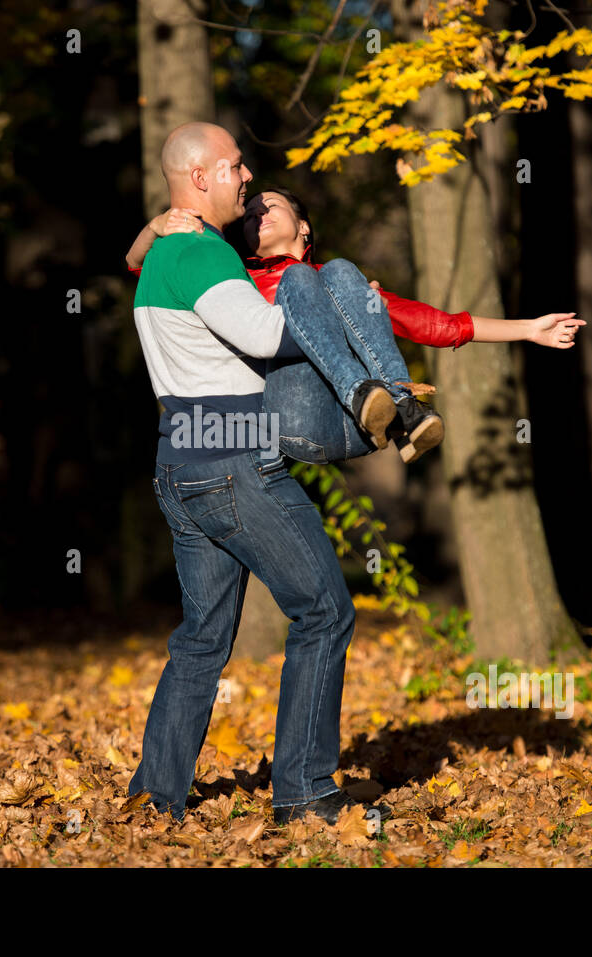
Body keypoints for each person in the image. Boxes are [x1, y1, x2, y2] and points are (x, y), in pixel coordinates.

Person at [127, 120, 393, 827]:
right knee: (325, 609)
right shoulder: (204, 254)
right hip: (234, 460)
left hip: (179, 458)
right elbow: (268, 335)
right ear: (202, 177)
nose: (248, 178)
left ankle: (155, 798)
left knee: (202, 638)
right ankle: (304, 788)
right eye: (236, 166)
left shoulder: (164, 252)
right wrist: (337, 305)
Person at [126, 188, 585, 463]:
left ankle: (401, 410)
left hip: (357, 429)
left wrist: (528, 329)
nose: (256, 217)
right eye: (249, 216)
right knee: (312, 279)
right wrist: (156, 225)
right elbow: (137, 266)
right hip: (291, 417)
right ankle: (374, 397)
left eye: (270, 209)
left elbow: (435, 325)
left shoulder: (337, 285)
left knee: (341, 272)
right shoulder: (233, 275)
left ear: (305, 227)